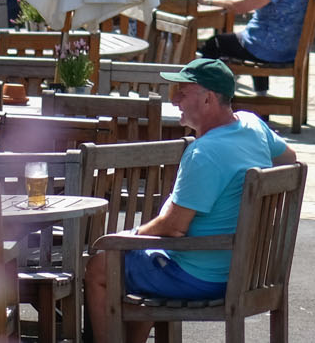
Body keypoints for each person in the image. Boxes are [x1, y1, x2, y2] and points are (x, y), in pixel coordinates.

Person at [82, 58, 294, 337]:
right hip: (249, 272)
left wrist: (129, 237)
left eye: (182, 93)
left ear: (208, 99)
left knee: (102, 266)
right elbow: (289, 159)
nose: (174, 100)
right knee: (137, 263)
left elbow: (173, 226)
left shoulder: (204, 153)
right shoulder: (253, 125)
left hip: (202, 275)